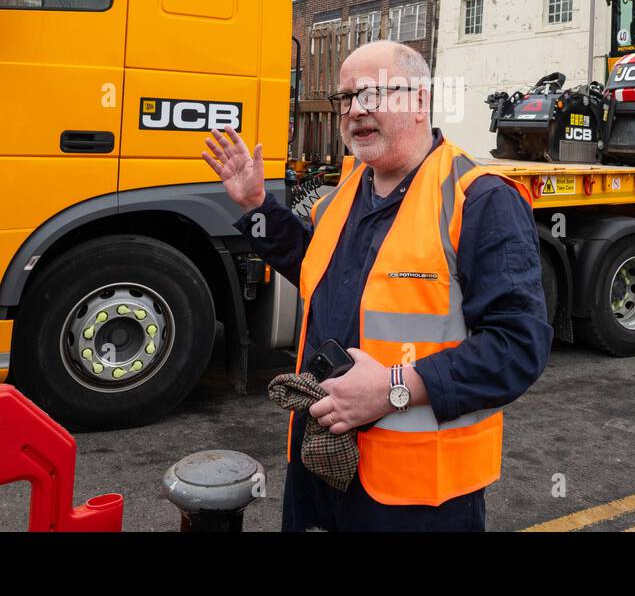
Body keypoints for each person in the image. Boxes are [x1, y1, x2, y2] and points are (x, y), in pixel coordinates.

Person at [202, 39, 552, 531]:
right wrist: (257, 208)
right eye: (346, 98)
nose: (356, 111)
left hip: (417, 498)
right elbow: (317, 269)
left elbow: (517, 348)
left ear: (420, 101)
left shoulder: (480, 200)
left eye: (373, 94)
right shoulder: (345, 192)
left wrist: (394, 390)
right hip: (321, 463)